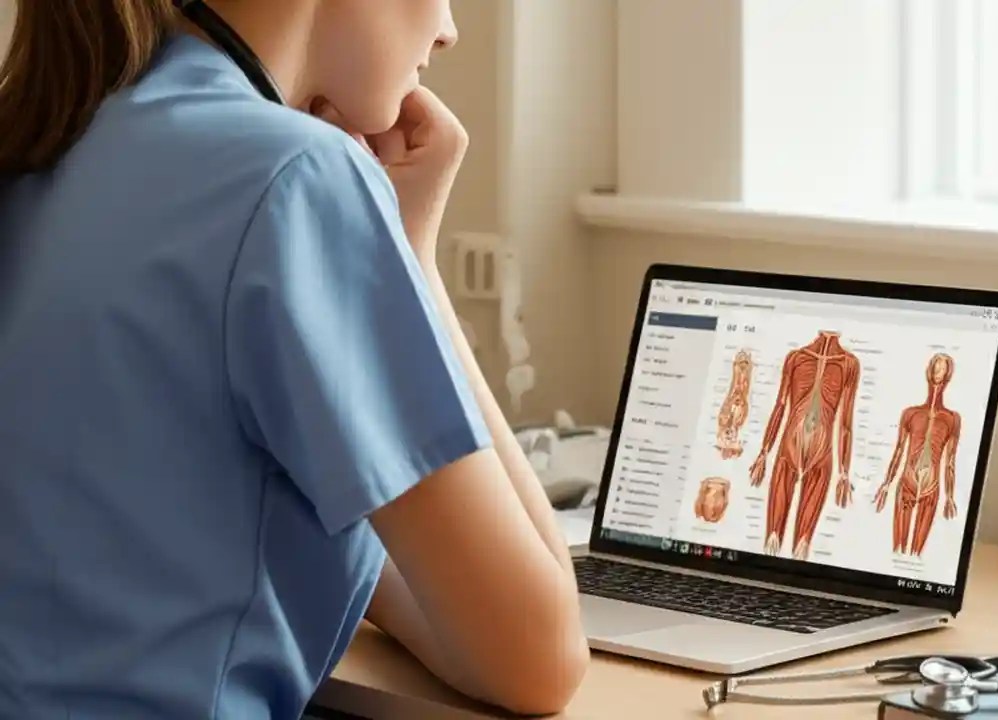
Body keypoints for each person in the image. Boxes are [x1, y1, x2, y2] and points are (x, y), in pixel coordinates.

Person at [0, 1, 589, 718]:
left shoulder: (56, 135)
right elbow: (541, 660)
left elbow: (462, 628)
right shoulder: (294, 177)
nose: (448, 27)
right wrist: (416, 262)